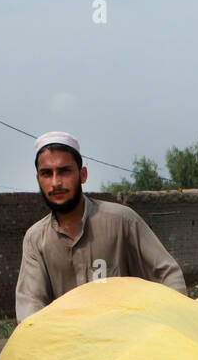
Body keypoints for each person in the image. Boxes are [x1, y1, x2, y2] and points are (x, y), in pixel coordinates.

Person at [15, 131, 186, 321]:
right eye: (47, 173)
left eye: (64, 171)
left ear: (83, 174)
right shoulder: (36, 239)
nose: (56, 182)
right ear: (38, 179)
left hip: (126, 343)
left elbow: (168, 274)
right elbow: (30, 304)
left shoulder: (122, 221)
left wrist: (172, 323)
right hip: (70, 346)